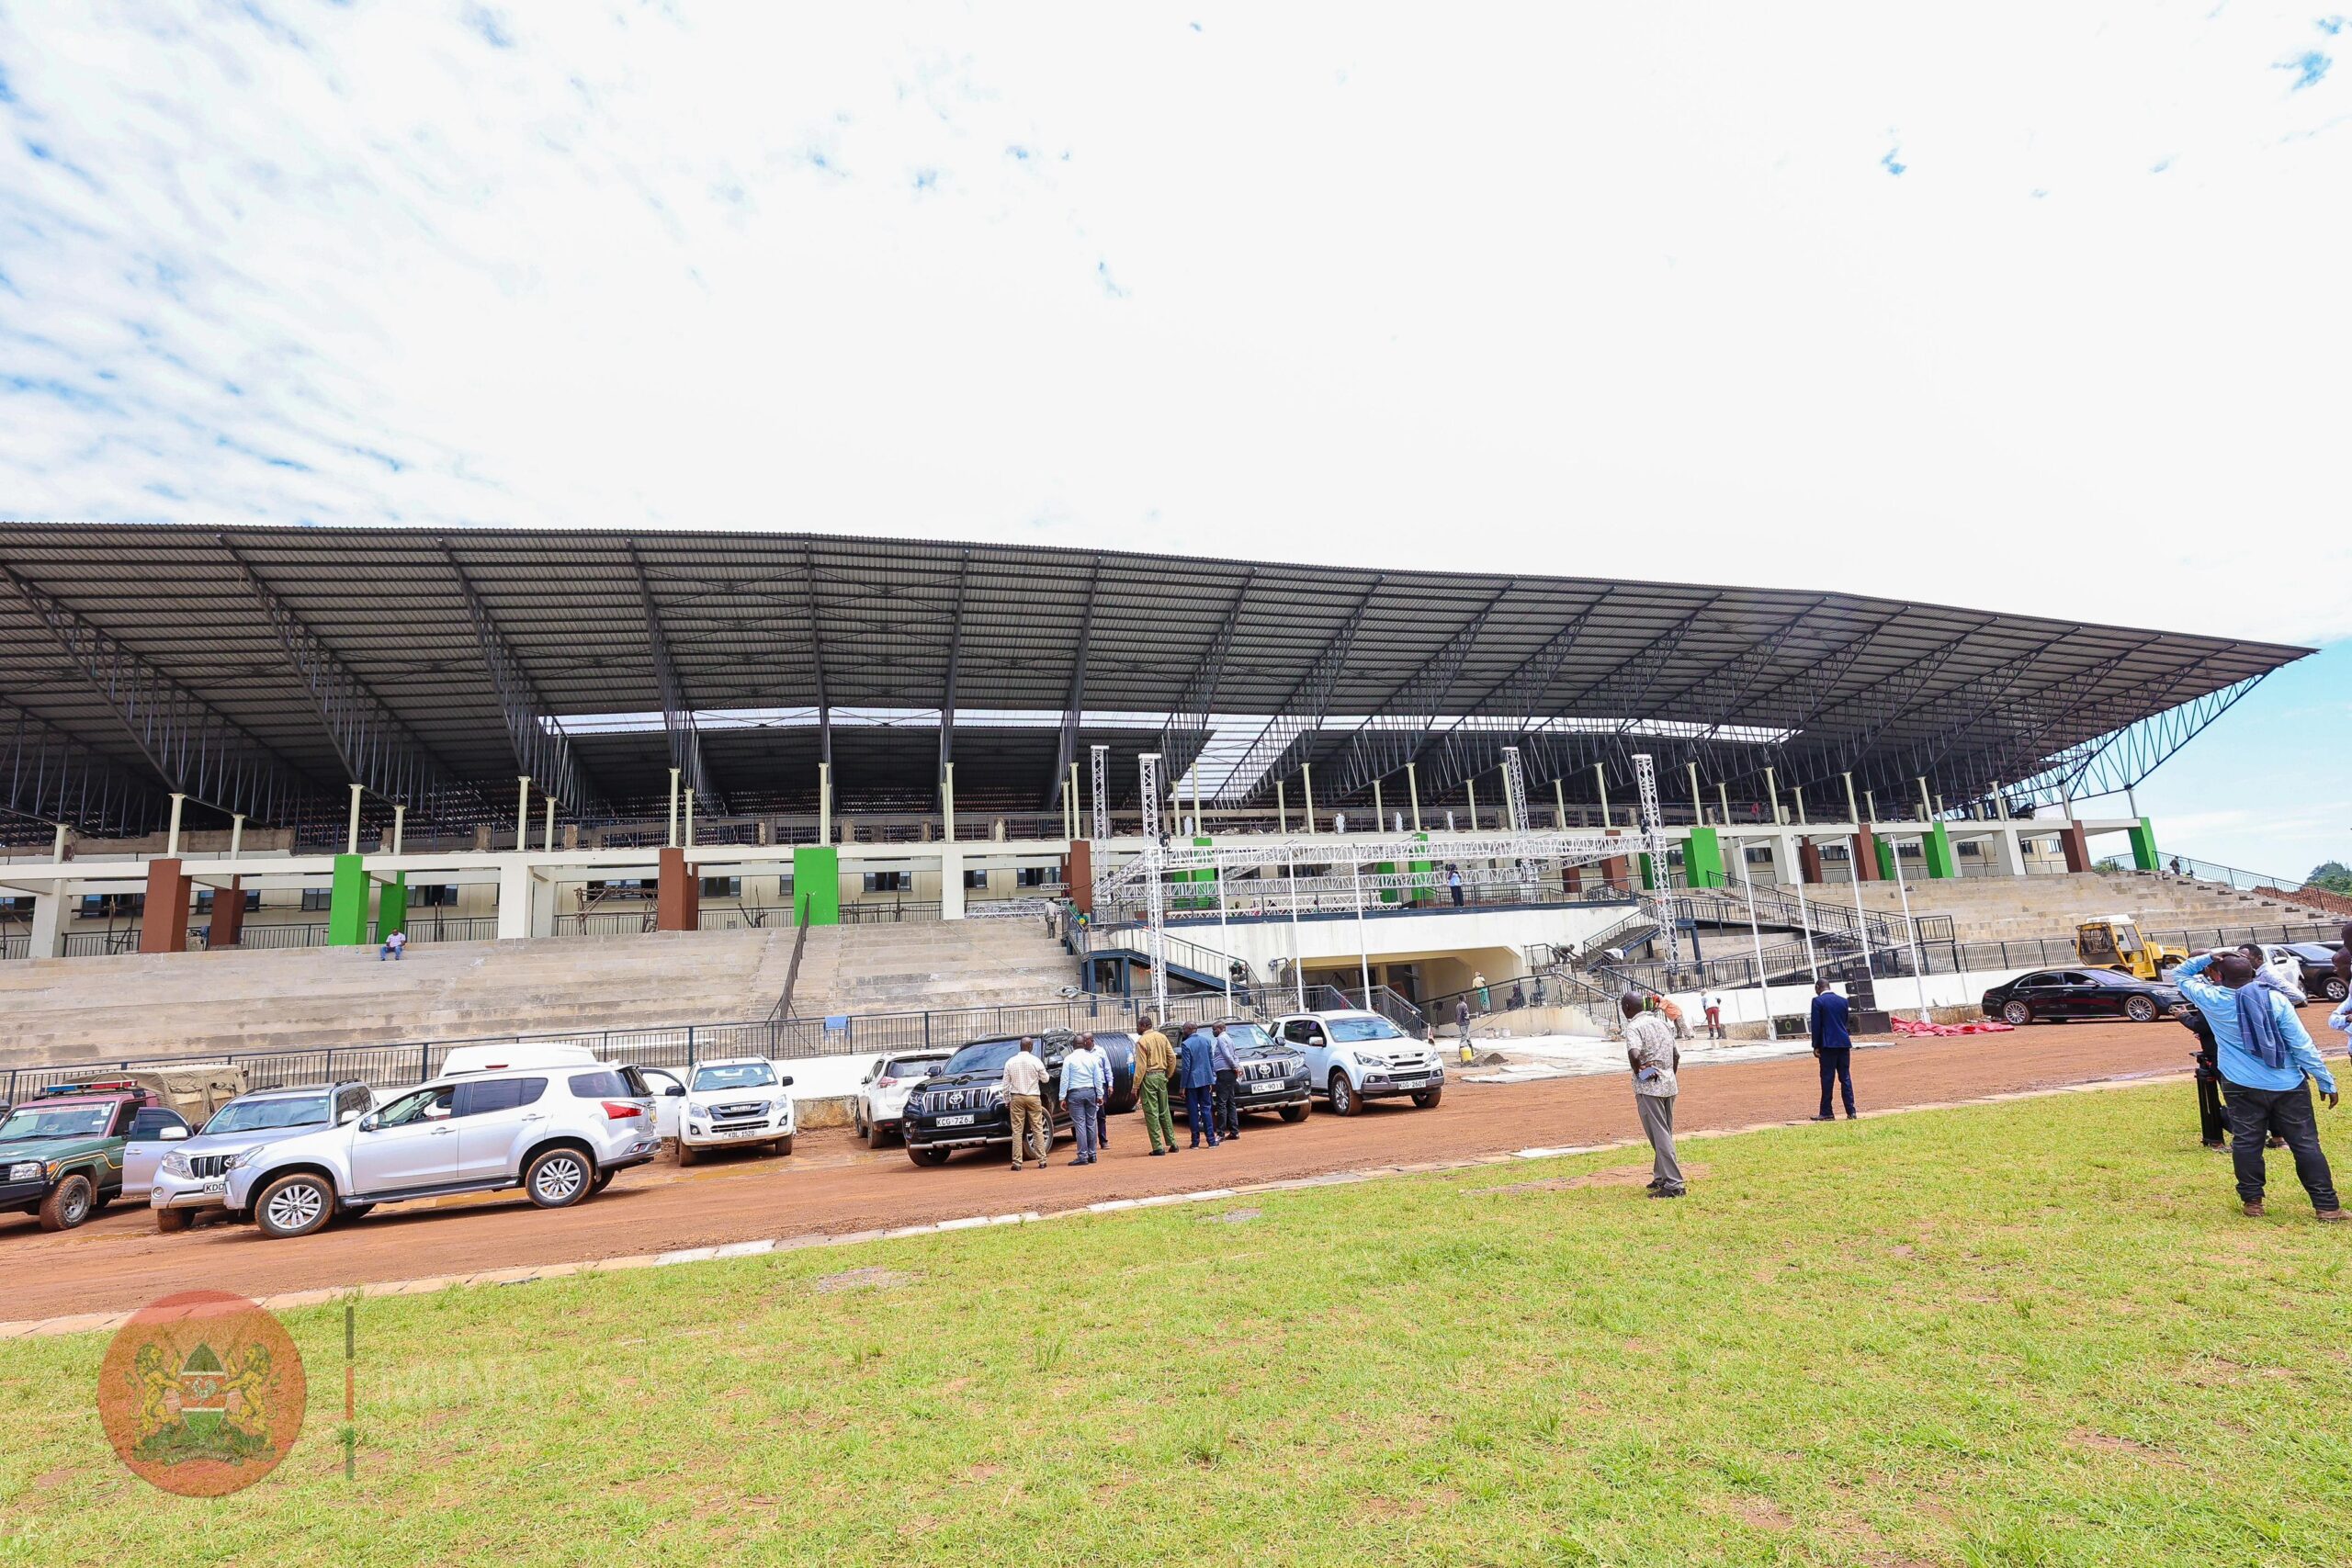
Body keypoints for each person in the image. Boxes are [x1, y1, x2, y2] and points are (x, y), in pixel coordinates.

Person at [2172, 951, 2342, 1221]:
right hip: (2288, 1082)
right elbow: (2300, 1044)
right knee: (2306, 1144)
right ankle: (2327, 1207)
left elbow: (2179, 974)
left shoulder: (2211, 998)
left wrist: (2209, 957)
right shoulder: (2275, 999)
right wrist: (2324, 1079)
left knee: (2247, 1143)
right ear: (2252, 974)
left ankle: (2253, 1203)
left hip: (2239, 1083)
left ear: (2218, 975)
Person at [1622, 995, 1684, 1198]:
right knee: (1664, 1132)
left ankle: (1674, 1185)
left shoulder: (1634, 1027)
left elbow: (1634, 1055)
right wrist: (1668, 1077)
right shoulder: (1661, 1023)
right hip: (1669, 1084)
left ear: (1627, 1007)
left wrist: (1643, 1074)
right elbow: (1676, 1055)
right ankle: (1661, 1176)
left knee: (1660, 1134)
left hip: (1650, 1088)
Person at [1058, 1032, 1111, 1166]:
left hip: (1075, 1093)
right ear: (1084, 1044)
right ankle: (1092, 1154)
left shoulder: (1069, 1059)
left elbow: (1064, 1079)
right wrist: (1099, 1095)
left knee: (1080, 1124)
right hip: (1090, 1092)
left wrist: (1062, 1097)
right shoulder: (1092, 1058)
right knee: (1091, 1123)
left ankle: (1082, 1155)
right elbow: (1097, 1078)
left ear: (1073, 1045)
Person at [1807, 979, 1856, 1121]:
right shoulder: (1843, 1001)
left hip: (1828, 1045)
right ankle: (1851, 1111)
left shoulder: (1817, 1001)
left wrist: (1815, 1045)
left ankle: (1827, 1112)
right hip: (1843, 1042)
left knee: (1827, 1079)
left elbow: (1816, 1026)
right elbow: (1845, 1020)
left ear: (1818, 988)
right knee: (1845, 1077)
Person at [1002, 1037, 1050, 1171]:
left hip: (1016, 1097)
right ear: (1030, 1047)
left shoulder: (1010, 1062)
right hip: (1033, 1096)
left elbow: (1005, 1085)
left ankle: (1017, 1162)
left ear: (1020, 1046)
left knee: (1017, 1130)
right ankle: (1042, 1160)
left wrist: (1007, 1100)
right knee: (1037, 1128)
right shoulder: (1035, 1061)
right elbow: (1045, 1079)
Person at [1134, 1016, 1178, 1156]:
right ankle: (1173, 1143)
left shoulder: (1142, 1041)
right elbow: (1172, 1057)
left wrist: (1135, 1085)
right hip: (1161, 1076)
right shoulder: (1162, 1037)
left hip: (1149, 1077)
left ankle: (1158, 1147)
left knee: (1151, 1112)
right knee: (1164, 1110)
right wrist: (1168, 1074)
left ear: (1143, 1025)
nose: (1137, 1029)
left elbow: (1141, 1066)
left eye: (1138, 1026)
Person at [1178, 1023, 1220, 1148]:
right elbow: (1211, 1062)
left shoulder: (1186, 1044)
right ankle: (1211, 1141)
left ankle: (1195, 1142)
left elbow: (1186, 1067)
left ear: (1190, 1029)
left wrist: (1182, 1087)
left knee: (1193, 1112)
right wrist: (1212, 1079)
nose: (1183, 1031)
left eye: (1184, 1029)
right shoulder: (1206, 1041)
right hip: (1206, 1080)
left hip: (1192, 1082)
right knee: (1206, 1109)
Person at [2241, 942, 2307, 1005]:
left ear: (2259, 959)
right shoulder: (2251, 973)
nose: (2240, 962)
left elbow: (2297, 996)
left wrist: (2266, 1006)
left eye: (2246, 959)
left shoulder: (2268, 974)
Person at [1209, 1022, 1242, 1141]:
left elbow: (1228, 1055)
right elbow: (1235, 1055)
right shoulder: (1229, 1039)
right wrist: (1236, 1067)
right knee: (1230, 1102)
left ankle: (1221, 1133)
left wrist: (1235, 1067)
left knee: (1221, 1103)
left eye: (1214, 1029)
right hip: (1229, 1073)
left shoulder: (1221, 1038)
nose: (1213, 1031)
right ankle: (1234, 1131)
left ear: (1221, 1029)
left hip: (1224, 1072)